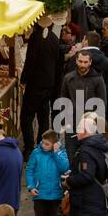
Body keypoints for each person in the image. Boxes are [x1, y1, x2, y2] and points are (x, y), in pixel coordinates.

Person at [20, 19, 64, 150]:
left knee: (26, 117)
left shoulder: (35, 37)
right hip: (49, 85)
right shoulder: (54, 39)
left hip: (35, 84)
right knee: (43, 116)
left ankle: (29, 147)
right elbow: (58, 66)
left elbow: (30, 60)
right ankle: (42, 144)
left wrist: (24, 79)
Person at [24, 130, 69, 216]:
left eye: (47, 144)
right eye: (43, 143)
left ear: (55, 144)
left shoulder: (60, 153)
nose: (43, 146)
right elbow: (29, 170)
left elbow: (65, 167)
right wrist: (31, 186)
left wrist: (55, 153)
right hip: (39, 194)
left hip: (55, 194)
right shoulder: (36, 153)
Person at [59, 46, 106, 161]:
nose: (83, 65)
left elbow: (102, 103)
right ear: (76, 61)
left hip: (89, 127)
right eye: (80, 61)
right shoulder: (68, 78)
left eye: (85, 62)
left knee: (88, 158)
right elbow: (64, 100)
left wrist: (92, 121)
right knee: (71, 157)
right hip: (72, 125)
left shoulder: (98, 80)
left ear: (90, 62)